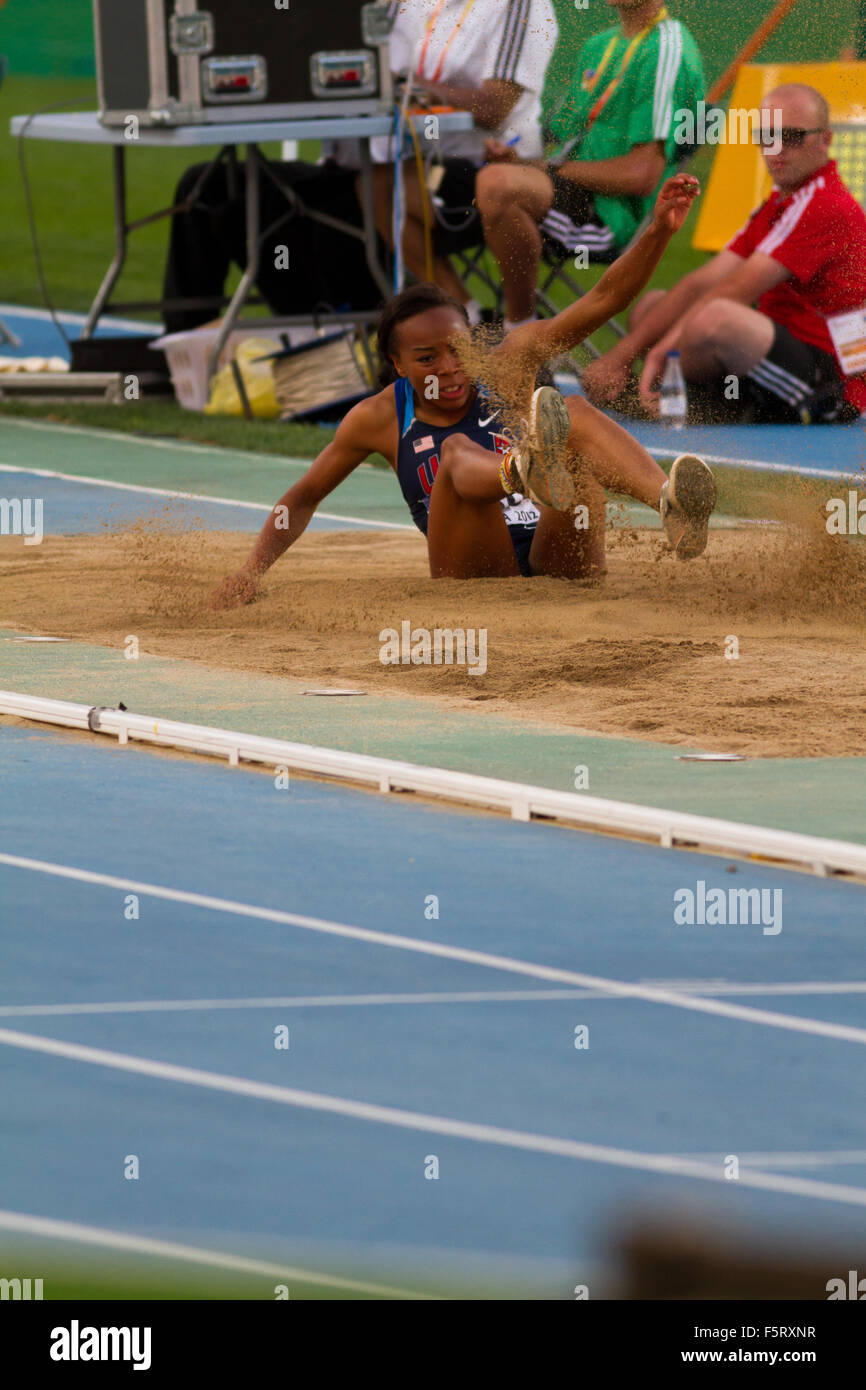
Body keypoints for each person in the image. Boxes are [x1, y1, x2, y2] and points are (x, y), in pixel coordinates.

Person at [209, 174, 716, 608]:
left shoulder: (507, 366)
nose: (450, 369)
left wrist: (657, 231)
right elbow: (302, 498)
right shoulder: (378, 417)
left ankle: (670, 504)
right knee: (455, 451)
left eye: (457, 350)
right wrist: (250, 574)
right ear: (397, 364)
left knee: (573, 412)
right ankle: (519, 469)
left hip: (556, 560)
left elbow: (604, 300)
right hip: (473, 575)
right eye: (427, 359)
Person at [582, 84, 866, 424]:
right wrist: (623, 354)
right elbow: (702, 281)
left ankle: (688, 398)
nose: (777, 149)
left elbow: (735, 290)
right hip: (778, 355)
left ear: (825, 140)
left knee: (715, 317)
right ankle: (702, 401)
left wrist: (657, 354)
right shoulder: (779, 203)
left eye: (792, 136)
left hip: (832, 384)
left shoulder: (825, 204)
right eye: (767, 135)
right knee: (653, 307)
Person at [474, 0, 704, 331]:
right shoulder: (598, 45)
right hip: (568, 189)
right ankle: (460, 322)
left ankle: (520, 335)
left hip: (611, 214)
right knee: (429, 178)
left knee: (497, 185)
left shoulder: (668, 47)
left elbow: (642, 176)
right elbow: (562, 133)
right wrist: (515, 156)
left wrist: (546, 170)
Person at [366, 0, 559, 321]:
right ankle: (465, 322)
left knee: (385, 183)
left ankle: (521, 326)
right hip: (436, 165)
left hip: (500, 166)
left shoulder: (521, 5)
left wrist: (407, 86)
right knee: (373, 183)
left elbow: (493, 108)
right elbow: (372, 70)